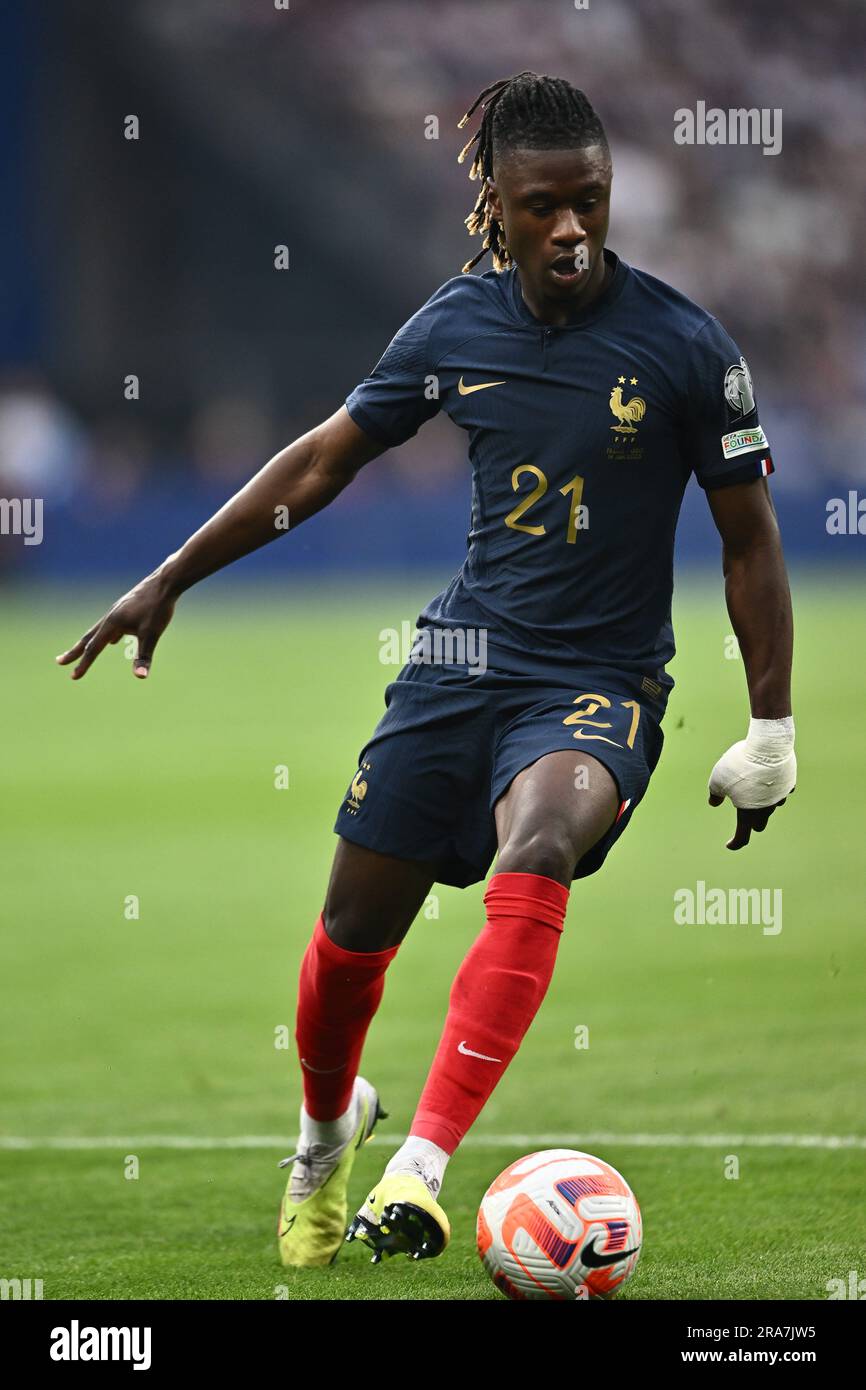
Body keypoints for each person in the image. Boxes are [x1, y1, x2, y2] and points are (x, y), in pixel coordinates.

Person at [56, 71, 796, 1271]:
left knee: (543, 835)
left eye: (589, 202)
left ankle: (423, 1165)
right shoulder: (453, 328)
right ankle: (326, 1134)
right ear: (494, 208)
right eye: (542, 205)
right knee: (352, 934)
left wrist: (771, 731)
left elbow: (749, 540)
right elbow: (316, 466)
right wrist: (170, 575)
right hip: (457, 668)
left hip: (596, 680)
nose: (569, 228)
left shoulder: (684, 347)